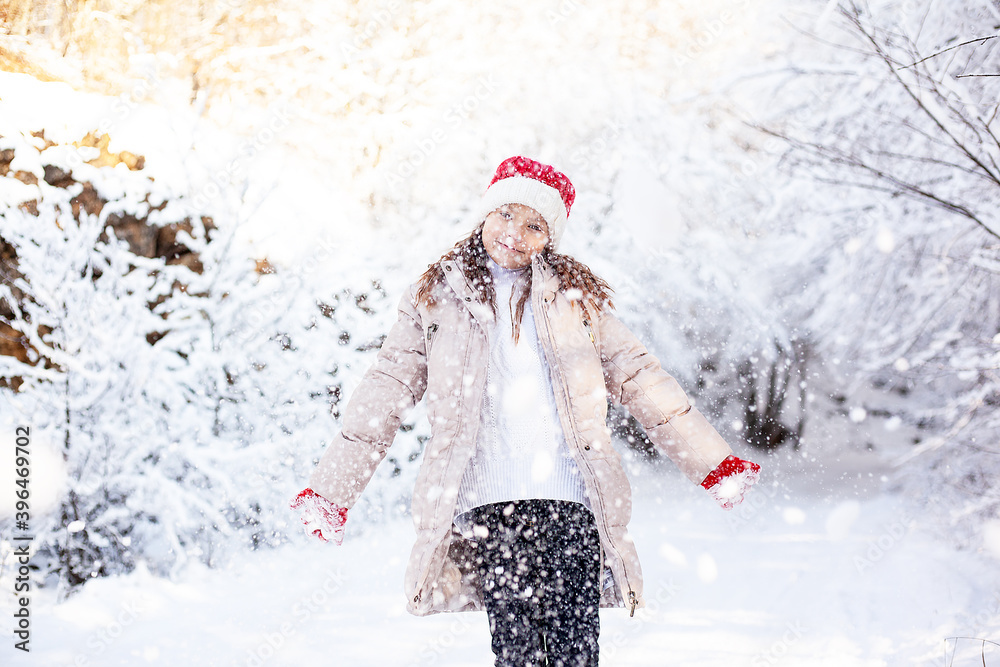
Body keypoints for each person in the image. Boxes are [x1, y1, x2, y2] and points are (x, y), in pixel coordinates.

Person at [291, 156, 761, 666]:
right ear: (485, 216)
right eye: (505, 215)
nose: (514, 234)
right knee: (515, 656)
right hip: (489, 507)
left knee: (574, 655)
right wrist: (331, 492)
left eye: (534, 224)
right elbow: (385, 391)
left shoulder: (577, 303)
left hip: (570, 501)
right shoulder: (434, 299)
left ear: (550, 236)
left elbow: (643, 379)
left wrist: (715, 464)